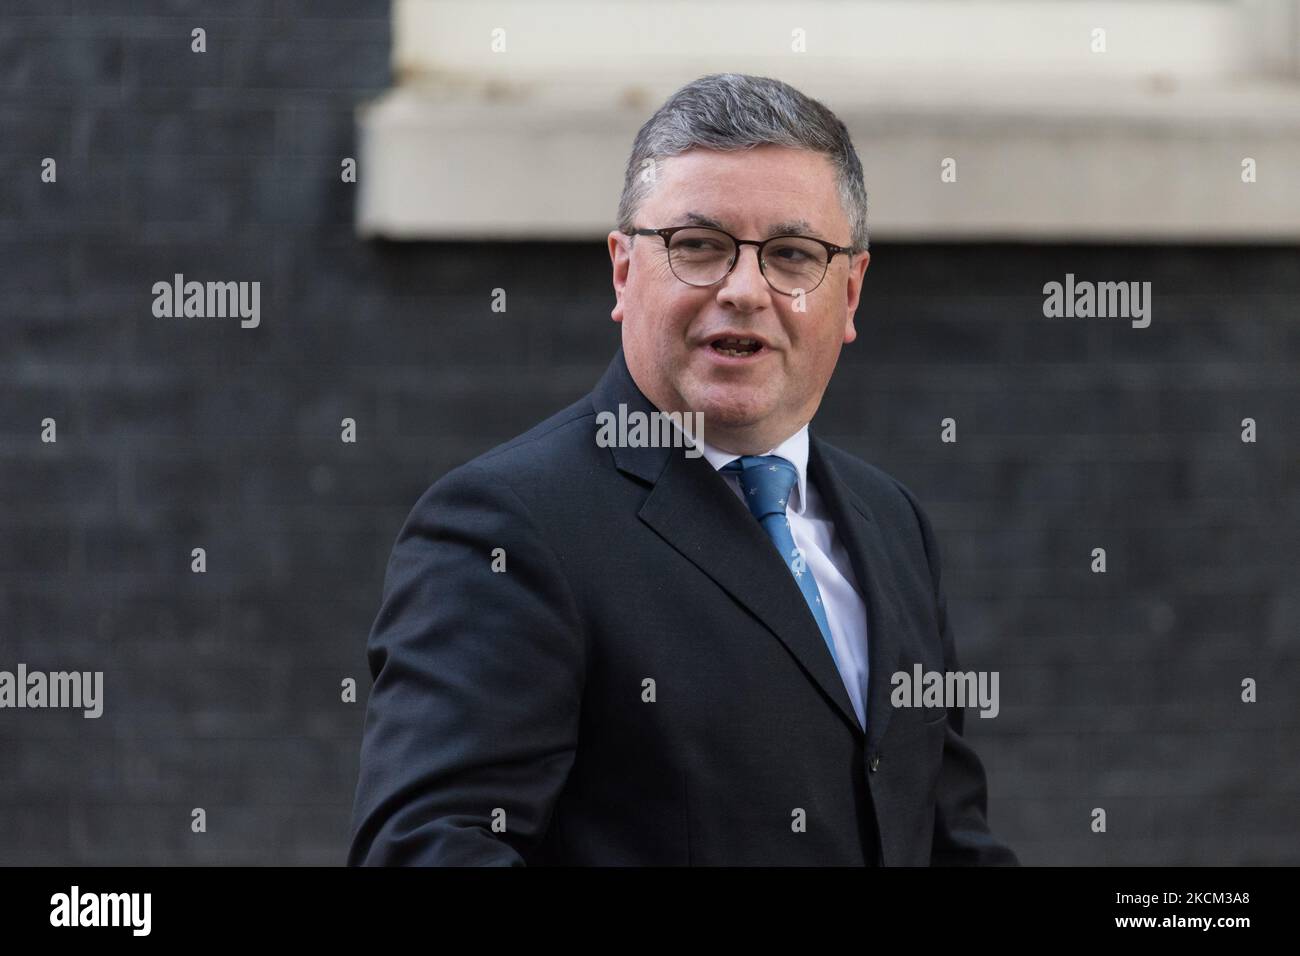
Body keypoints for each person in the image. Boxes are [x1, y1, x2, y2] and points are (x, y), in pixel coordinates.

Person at [348, 73, 1018, 866]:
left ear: (851, 290)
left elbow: (950, 841)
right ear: (624, 270)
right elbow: (426, 850)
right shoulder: (506, 528)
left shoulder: (893, 524)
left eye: (793, 255)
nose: (743, 289)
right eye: (698, 247)